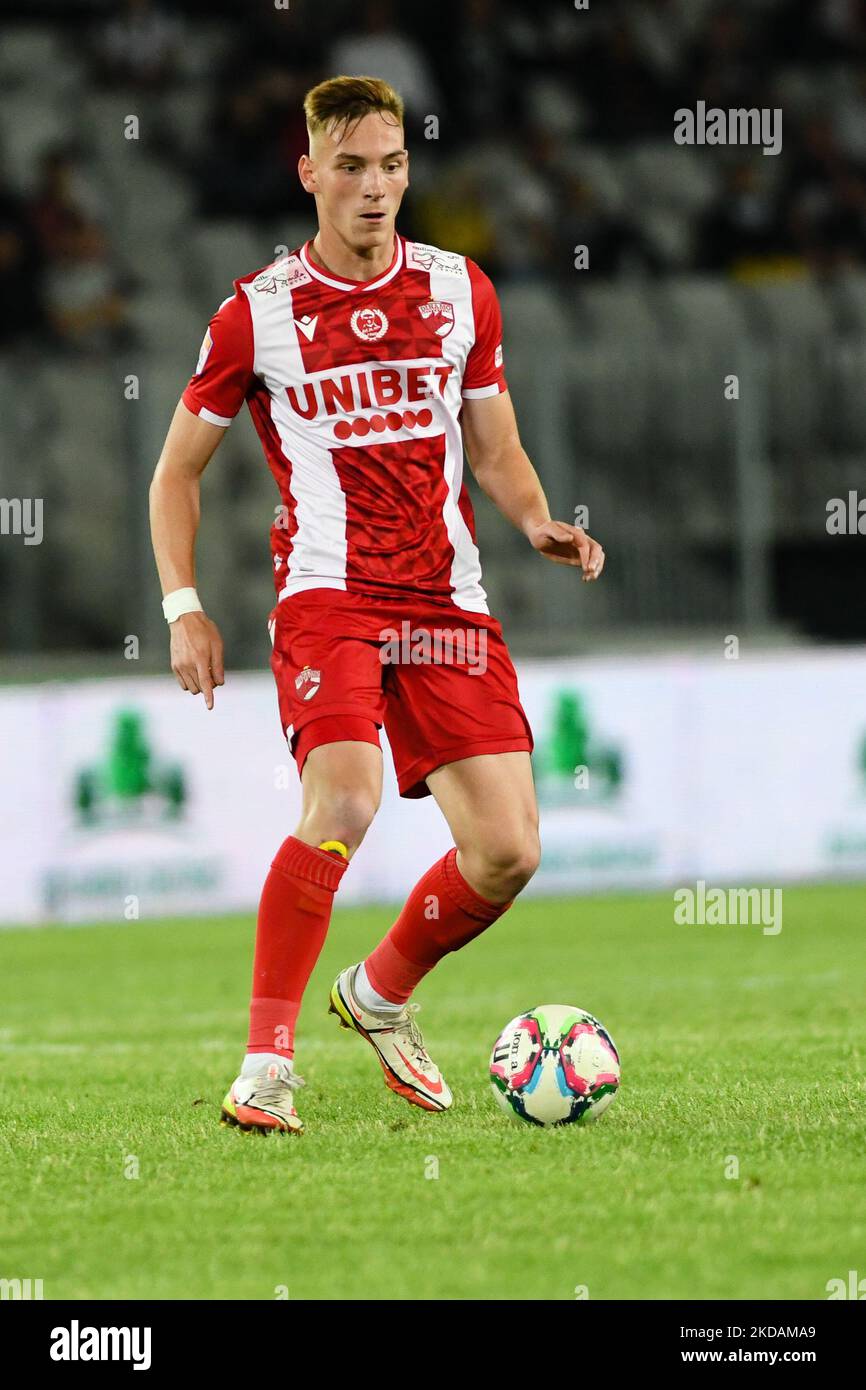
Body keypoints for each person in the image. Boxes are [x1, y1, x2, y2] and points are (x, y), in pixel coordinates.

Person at [149, 76, 605, 1136]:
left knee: (507, 852)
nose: (372, 187)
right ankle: (266, 1065)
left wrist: (534, 516)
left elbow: (493, 447)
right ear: (308, 172)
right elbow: (176, 473)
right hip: (329, 593)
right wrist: (183, 603)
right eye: (349, 166)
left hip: (445, 598)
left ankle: (378, 992)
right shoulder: (253, 314)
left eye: (390, 165)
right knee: (343, 802)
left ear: (409, 171)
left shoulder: (459, 290)